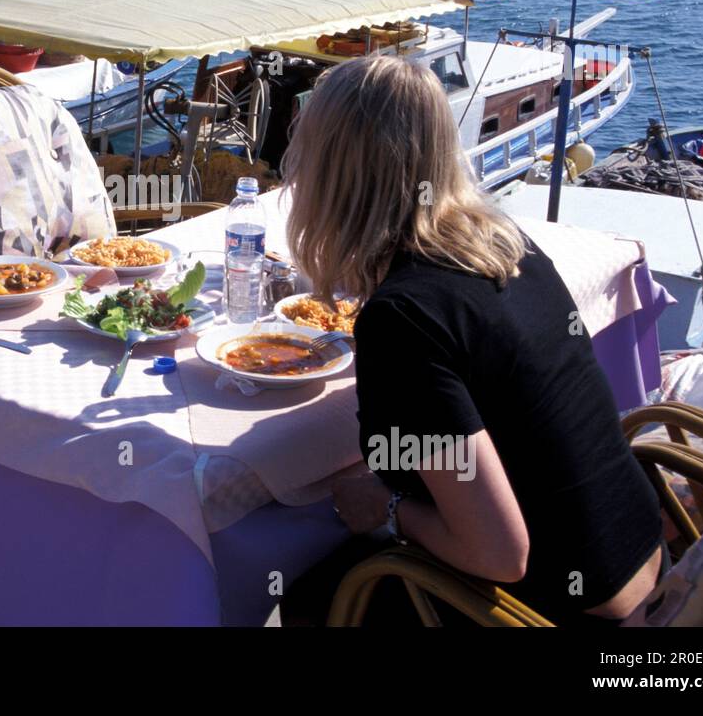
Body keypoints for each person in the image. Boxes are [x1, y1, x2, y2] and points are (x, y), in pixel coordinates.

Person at [278, 56, 667, 627]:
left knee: (309, 591)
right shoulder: (505, 243)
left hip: (571, 612)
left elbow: (499, 554)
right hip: (641, 557)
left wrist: (386, 508)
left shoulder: (403, 319)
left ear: (329, 172)